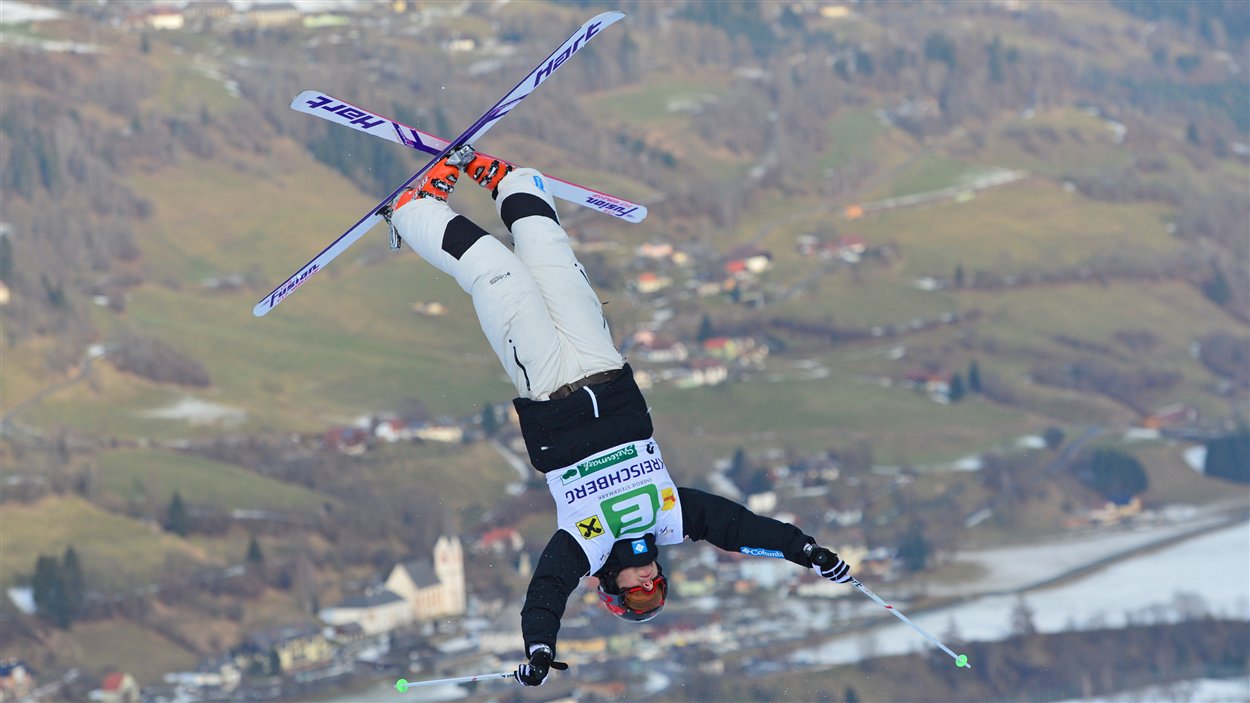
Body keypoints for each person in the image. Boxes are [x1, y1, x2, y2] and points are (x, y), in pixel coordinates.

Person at [383, 150, 854, 687]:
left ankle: (412, 212)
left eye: (639, 591)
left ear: (611, 587)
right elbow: (736, 529)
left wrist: (539, 646)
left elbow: (548, 590)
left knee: (500, 275)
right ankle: (506, 179)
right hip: (604, 369)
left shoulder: (588, 543)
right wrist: (806, 551)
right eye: (657, 586)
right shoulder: (671, 517)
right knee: (552, 258)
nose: (649, 579)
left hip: (547, 386)